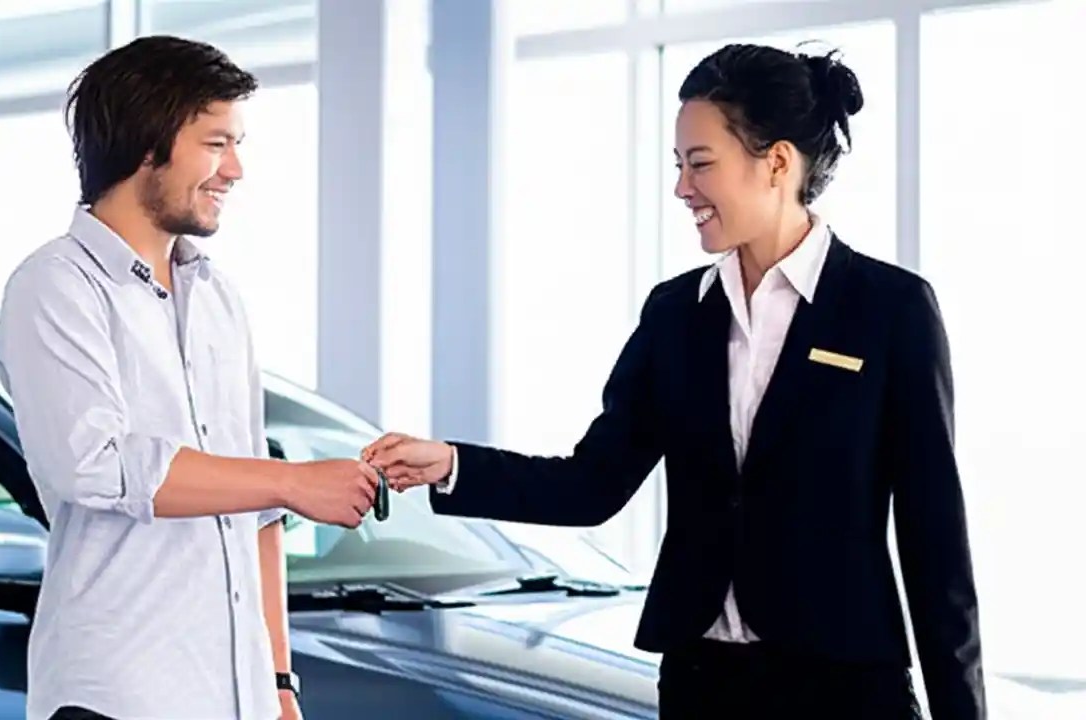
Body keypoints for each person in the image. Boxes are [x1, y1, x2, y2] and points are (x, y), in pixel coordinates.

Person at [364, 43, 984, 720]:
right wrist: (451, 465)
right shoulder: (674, 314)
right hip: (702, 684)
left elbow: (935, 544)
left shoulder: (888, 308)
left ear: (775, 162)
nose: (682, 189)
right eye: (678, 166)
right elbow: (593, 482)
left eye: (700, 164)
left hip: (841, 688)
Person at [0, 36, 382, 720]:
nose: (235, 169)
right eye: (215, 143)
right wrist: (294, 482)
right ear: (148, 145)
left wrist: (279, 682)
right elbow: (96, 464)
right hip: (119, 695)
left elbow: (252, 499)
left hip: (237, 697)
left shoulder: (218, 295)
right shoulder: (55, 287)